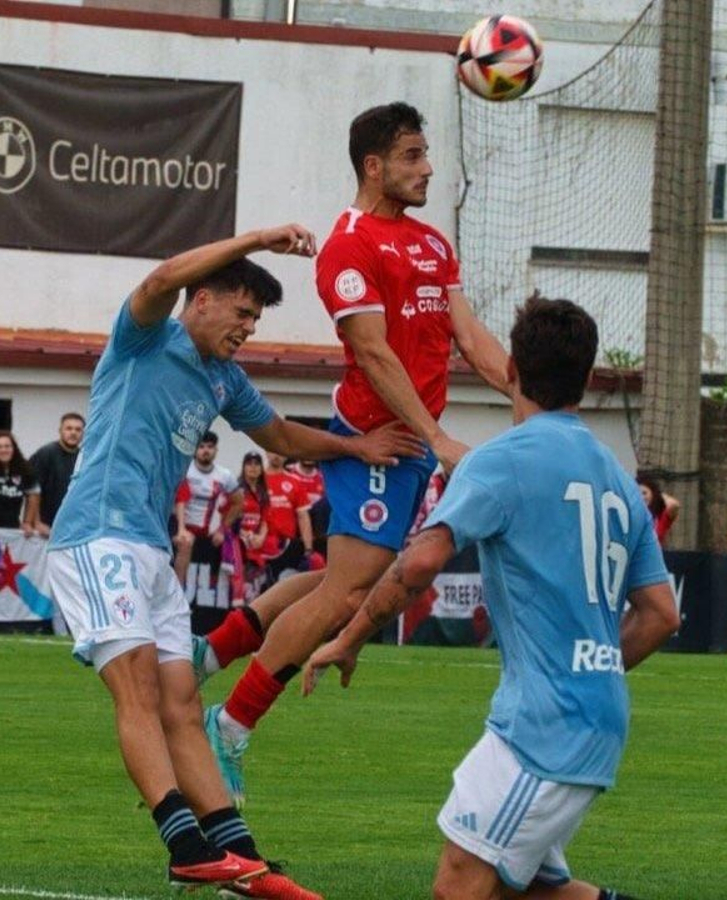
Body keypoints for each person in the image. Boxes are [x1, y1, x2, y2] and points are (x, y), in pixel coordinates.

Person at [44, 222, 419, 898]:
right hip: (97, 538)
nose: (247, 326)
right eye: (241, 311)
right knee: (139, 690)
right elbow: (160, 279)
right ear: (203, 299)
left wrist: (357, 448)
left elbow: (276, 433)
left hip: (151, 555)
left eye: (255, 317)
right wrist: (259, 239)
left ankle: (239, 856)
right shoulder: (146, 338)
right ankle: (185, 845)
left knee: (184, 705)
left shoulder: (223, 379)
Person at [302, 297, 680, 900]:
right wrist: (594, 668)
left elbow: (421, 561)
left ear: (510, 372)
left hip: (540, 728)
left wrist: (347, 641)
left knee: (458, 885)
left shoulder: (500, 462)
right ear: (585, 380)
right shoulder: (615, 474)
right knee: (528, 890)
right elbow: (662, 613)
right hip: (594, 715)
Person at [200, 103, 513, 806]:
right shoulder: (350, 245)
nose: (427, 167)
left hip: (407, 448)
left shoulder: (433, 245)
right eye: (411, 156)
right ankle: (230, 724)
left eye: (425, 154)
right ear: (374, 166)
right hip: (379, 440)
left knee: (334, 580)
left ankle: (211, 653)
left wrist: (530, 394)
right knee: (347, 591)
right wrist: (435, 439)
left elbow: (468, 333)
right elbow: (370, 350)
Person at [172, 432, 241, 587]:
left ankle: (222, 596)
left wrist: (222, 530)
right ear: (195, 449)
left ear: (216, 450)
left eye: (210, 447)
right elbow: (176, 498)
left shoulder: (224, 475)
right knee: (185, 543)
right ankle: (178, 589)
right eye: (201, 446)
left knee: (231, 545)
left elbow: (238, 503)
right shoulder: (185, 469)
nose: (205, 451)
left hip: (207, 533)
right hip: (180, 526)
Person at [27, 412, 84, 537]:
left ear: (83, 433)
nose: (73, 432)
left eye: (78, 429)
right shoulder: (45, 454)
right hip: (44, 527)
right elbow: (33, 490)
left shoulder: (84, 458)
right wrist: (36, 522)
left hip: (71, 528)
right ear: (60, 431)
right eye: (69, 428)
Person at [0, 429, 39, 531]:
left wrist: (27, 522)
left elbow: (34, 493)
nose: (4, 450)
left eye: (7, 446)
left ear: (14, 448)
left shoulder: (23, 468)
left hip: (13, 529)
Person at [262, 453, 312, 583]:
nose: (276, 456)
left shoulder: (295, 481)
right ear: (266, 452)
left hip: (286, 547)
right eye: (272, 451)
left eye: (279, 452)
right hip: (259, 545)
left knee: (281, 585)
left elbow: (303, 517)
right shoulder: (257, 479)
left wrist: (308, 548)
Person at [234, 451, 273, 595]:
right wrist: (245, 535)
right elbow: (230, 519)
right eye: (249, 463)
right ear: (243, 467)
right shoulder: (236, 489)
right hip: (239, 543)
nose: (253, 467)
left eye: (257, 464)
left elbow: (265, 520)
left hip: (257, 545)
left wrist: (261, 537)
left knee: (259, 587)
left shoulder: (263, 492)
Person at [636, 472, 681, 547]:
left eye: (644, 493)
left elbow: (673, 504)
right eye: (638, 493)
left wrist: (658, 494)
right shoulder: (631, 515)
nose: (642, 497)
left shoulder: (660, 516)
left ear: (652, 494)